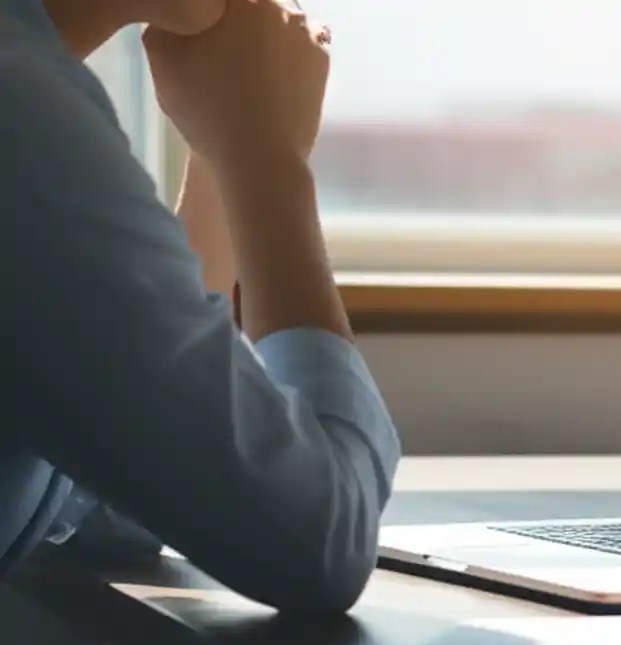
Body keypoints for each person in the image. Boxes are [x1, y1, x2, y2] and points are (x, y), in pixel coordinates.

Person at [1, 0, 400, 613]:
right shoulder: (21, 110)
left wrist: (224, 144)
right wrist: (266, 158)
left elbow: (121, 487)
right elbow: (316, 541)